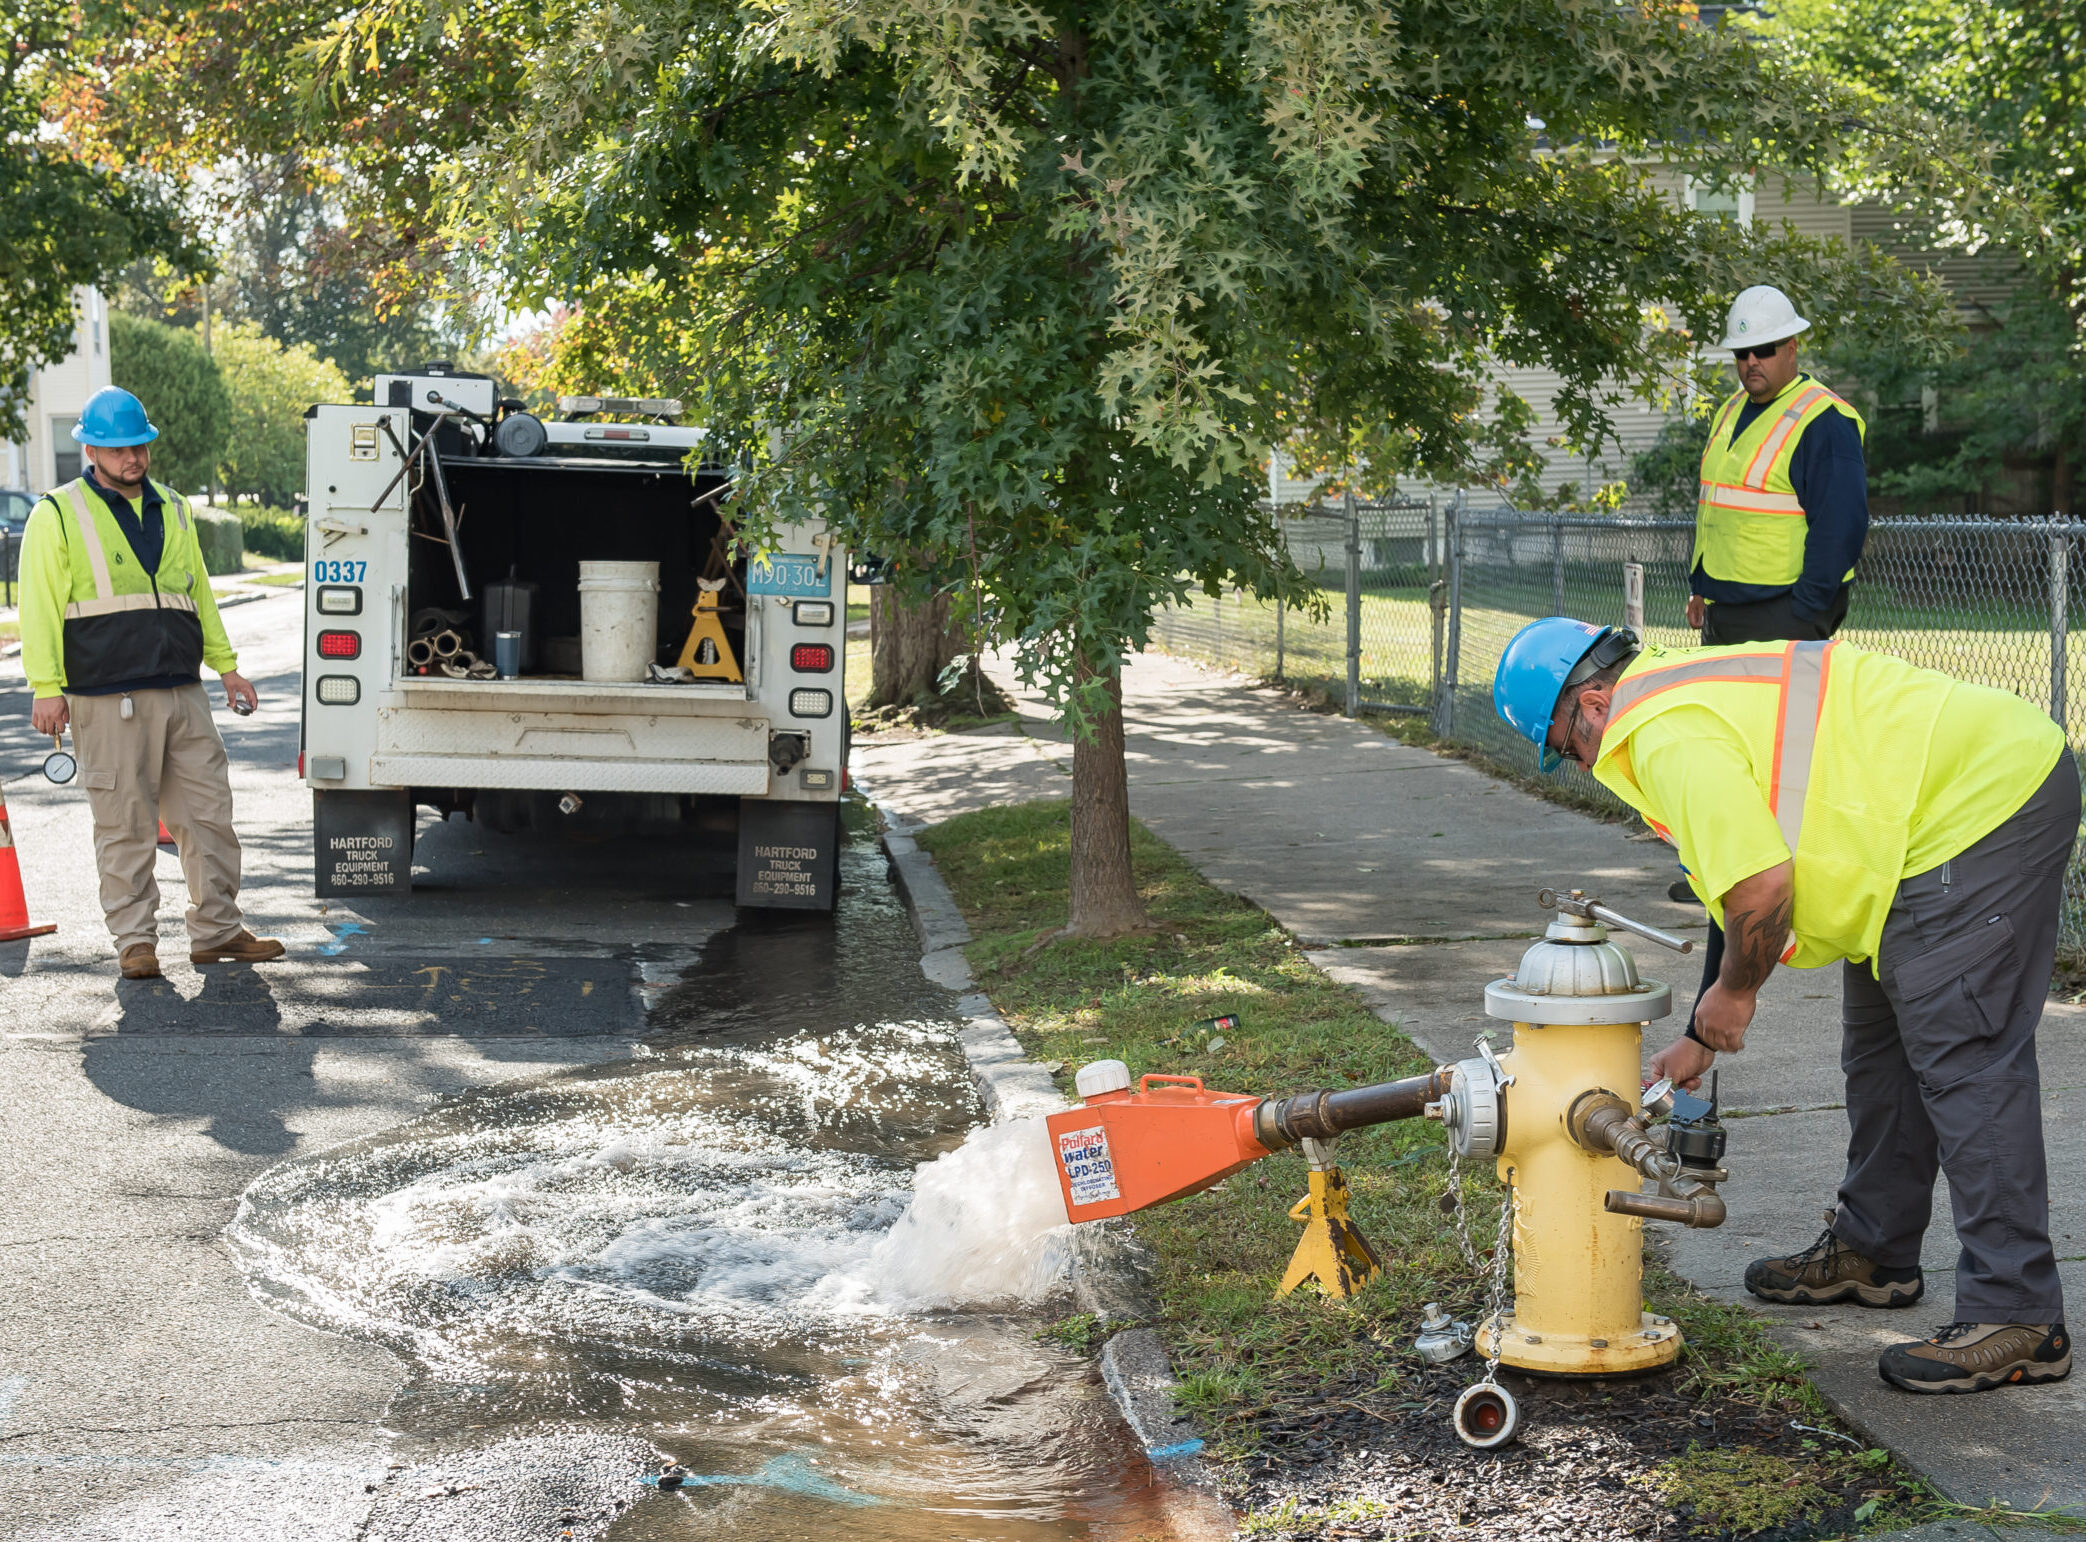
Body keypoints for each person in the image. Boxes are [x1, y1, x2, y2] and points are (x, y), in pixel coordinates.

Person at [1494, 616, 2076, 1395]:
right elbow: (1732, 879)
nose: (1578, 762)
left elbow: (1764, 888)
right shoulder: (1671, 692)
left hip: (1977, 806)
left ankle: (2020, 1317)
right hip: (1907, 832)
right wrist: (1706, 1024)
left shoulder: (1662, 735)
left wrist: (1737, 993)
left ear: (1592, 703)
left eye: (1566, 746)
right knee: (1881, 1056)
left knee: (1967, 1063)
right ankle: (1875, 1252)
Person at [18, 386, 285, 980]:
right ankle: (135, 941)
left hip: (181, 690)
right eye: (117, 450)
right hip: (105, 696)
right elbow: (38, 606)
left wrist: (227, 665)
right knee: (125, 823)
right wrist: (45, 686)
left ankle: (217, 930)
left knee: (209, 814)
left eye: (138, 446)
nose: (131, 459)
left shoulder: (175, 506)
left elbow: (199, 594)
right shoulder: (57, 513)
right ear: (90, 448)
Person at [1687, 285, 1868, 645]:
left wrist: (1805, 612)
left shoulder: (1824, 421)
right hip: (1723, 612)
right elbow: (1716, 512)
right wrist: (1701, 589)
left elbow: (1841, 525)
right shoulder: (1729, 411)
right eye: (1742, 352)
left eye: (1764, 350)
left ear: (1790, 349)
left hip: (1783, 615)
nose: (1752, 360)